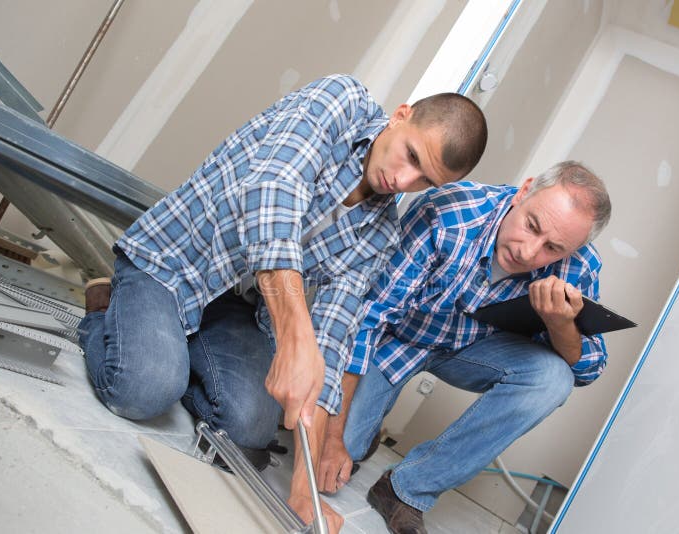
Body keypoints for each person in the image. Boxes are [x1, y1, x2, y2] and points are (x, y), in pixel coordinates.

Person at [77, 74, 487, 531]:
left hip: (236, 307)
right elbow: (273, 190)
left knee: (251, 428)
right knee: (144, 391)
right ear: (401, 115)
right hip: (173, 265)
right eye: (411, 156)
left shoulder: (381, 232)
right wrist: (294, 337)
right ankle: (105, 311)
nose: (402, 180)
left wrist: (301, 487)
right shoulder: (340, 102)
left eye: (423, 180)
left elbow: (332, 339)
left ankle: (171, 343)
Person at [317, 161, 611, 534]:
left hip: (474, 348)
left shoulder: (580, 265)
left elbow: (589, 369)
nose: (528, 252)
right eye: (532, 225)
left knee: (554, 379)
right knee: (338, 451)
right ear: (524, 191)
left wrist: (560, 324)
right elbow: (368, 317)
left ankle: (405, 489)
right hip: (399, 338)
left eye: (552, 248)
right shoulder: (448, 212)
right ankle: (366, 428)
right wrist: (330, 437)